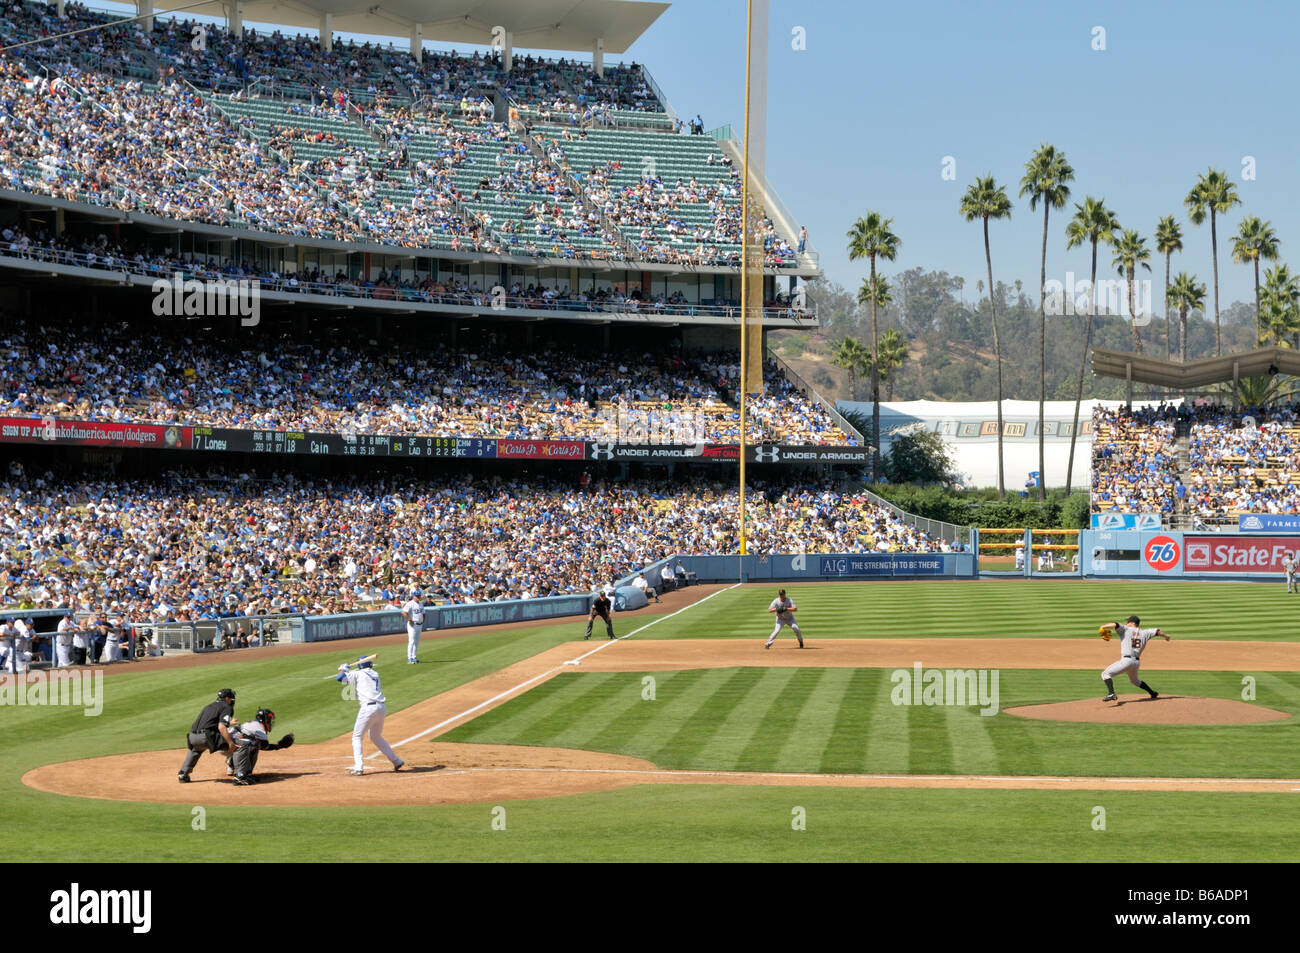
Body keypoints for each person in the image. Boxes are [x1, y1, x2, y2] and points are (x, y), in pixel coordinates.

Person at [336, 656, 404, 775]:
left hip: (368, 708)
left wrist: (344, 669)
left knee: (356, 737)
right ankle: (396, 761)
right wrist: (345, 670)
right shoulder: (374, 673)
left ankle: (358, 768)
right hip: (381, 708)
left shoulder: (358, 674)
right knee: (375, 736)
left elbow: (340, 678)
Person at [1097, 614, 1170, 702]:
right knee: (1135, 681)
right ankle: (1152, 693)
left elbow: (1115, 624)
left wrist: (1102, 627)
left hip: (1126, 661)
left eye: (1128, 622)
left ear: (1132, 623)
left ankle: (1111, 693)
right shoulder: (1145, 632)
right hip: (1136, 663)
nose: (1126, 623)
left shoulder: (1126, 629)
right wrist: (1166, 636)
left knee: (1105, 674)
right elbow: (1158, 632)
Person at [178, 688, 238, 783]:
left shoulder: (209, 706)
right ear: (226, 698)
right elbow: (221, 727)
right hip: (207, 738)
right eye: (231, 699)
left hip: (192, 737)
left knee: (195, 750)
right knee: (238, 746)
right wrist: (230, 743)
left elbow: (209, 723)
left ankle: (183, 774)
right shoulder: (227, 707)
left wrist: (229, 723)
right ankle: (237, 770)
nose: (231, 701)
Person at [227, 707, 294, 785]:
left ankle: (244, 772)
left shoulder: (255, 724)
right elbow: (264, 746)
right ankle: (239, 775)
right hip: (228, 744)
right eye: (269, 720)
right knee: (252, 745)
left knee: (253, 744)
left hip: (230, 742)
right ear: (265, 720)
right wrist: (279, 746)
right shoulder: (260, 729)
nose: (270, 722)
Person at [401, 587, 425, 664]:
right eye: (416, 596)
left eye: (419, 596)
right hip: (413, 625)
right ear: (413, 596)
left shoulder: (420, 603)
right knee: (411, 641)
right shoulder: (410, 603)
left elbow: (423, 613)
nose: (418, 597)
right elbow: (403, 612)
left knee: (417, 642)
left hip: (419, 624)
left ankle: (414, 657)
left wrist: (423, 620)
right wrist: (409, 620)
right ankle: (409, 658)